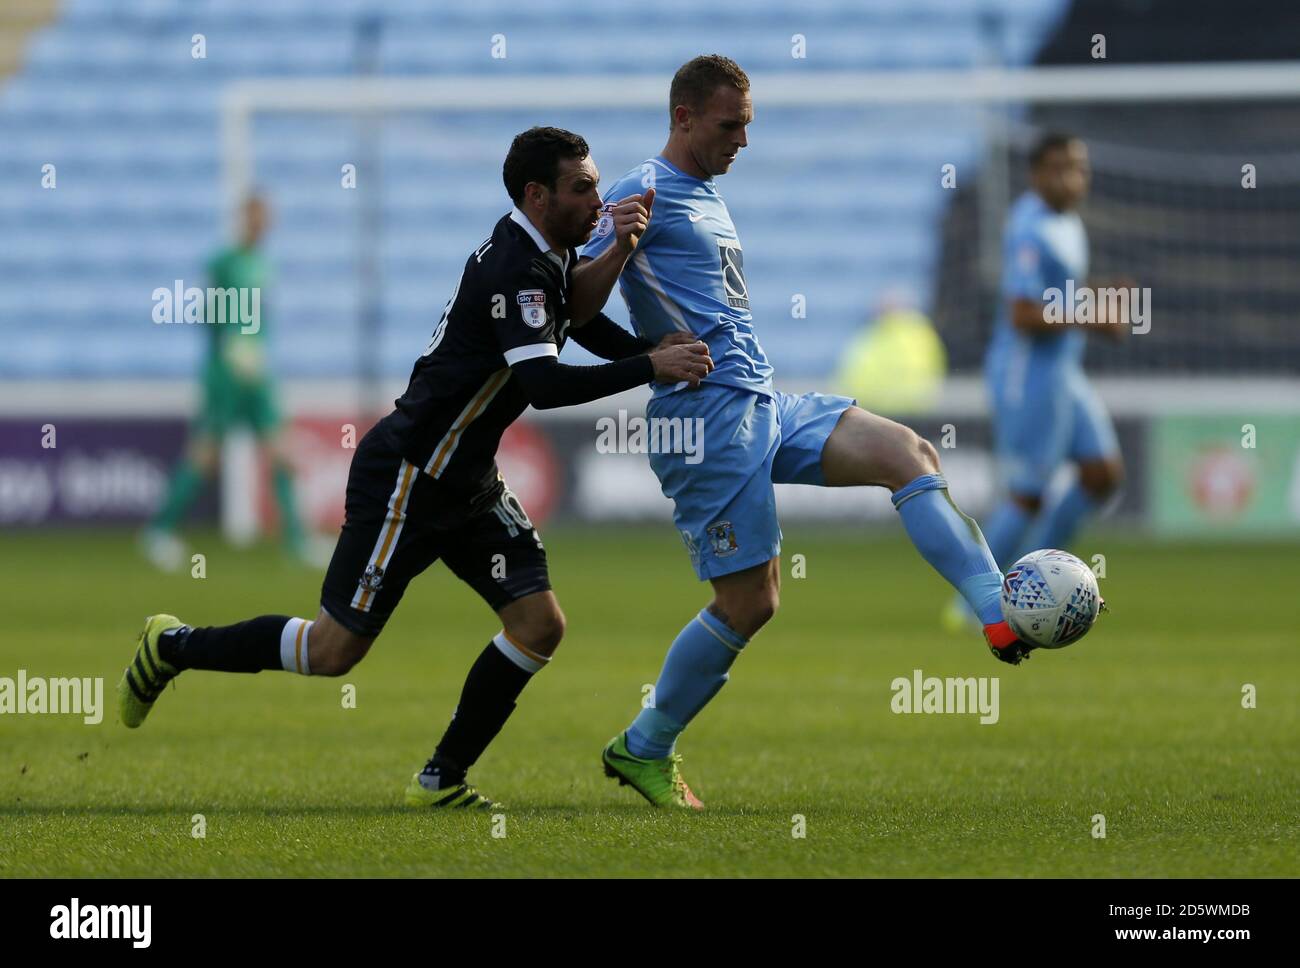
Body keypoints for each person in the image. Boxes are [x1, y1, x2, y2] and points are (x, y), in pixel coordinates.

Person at [119, 127, 712, 809]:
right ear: (537, 194)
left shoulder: (541, 251)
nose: (597, 200)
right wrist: (649, 365)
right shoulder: (512, 269)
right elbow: (545, 385)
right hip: (409, 477)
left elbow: (570, 321)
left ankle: (440, 779)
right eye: (582, 188)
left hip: (467, 481)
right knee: (332, 651)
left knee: (539, 624)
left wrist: (644, 341)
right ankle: (174, 645)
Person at [579, 56, 1032, 811]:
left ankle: (996, 605)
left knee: (907, 453)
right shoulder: (638, 191)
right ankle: (645, 745)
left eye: (748, 127)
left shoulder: (707, 196)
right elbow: (573, 299)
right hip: (704, 419)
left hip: (760, 398)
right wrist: (626, 280)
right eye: (730, 126)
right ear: (684, 117)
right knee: (752, 603)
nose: (742, 142)